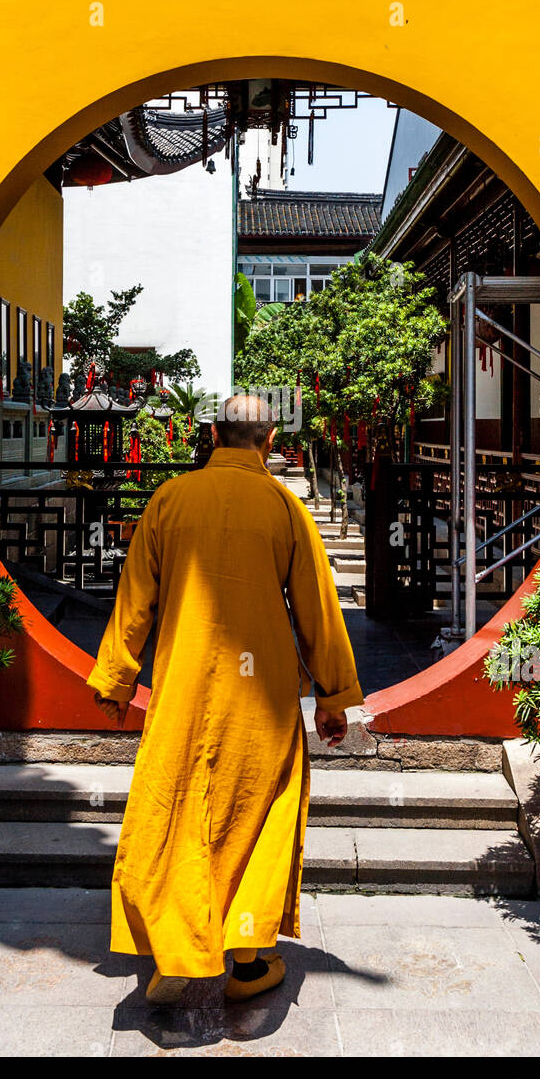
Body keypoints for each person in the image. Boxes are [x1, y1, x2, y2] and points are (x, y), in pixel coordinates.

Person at [87, 393, 364, 1003]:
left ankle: (176, 955)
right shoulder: (284, 507)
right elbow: (318, 607)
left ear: (212, 433)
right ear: (268, 442)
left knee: (177, 813)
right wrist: (333, 696)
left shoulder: (169, 499)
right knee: (258, 818)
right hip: (261, 699)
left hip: (183, 687)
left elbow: (134, 599)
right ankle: (243, 961)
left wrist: (115, 678)